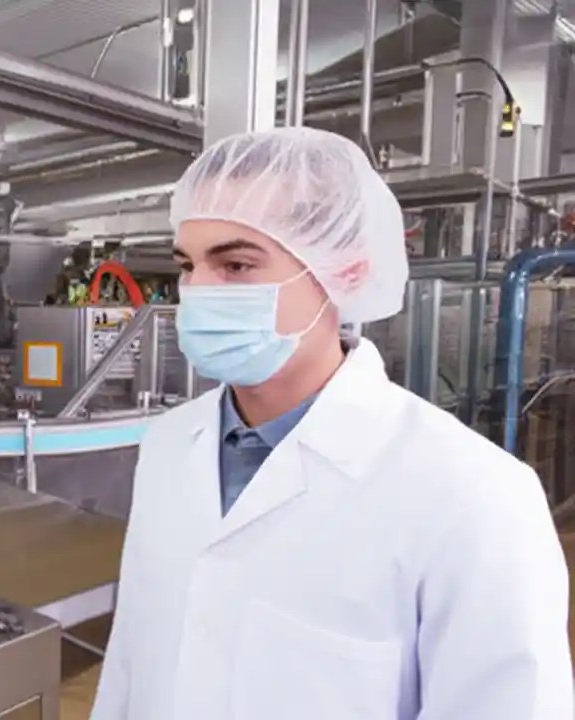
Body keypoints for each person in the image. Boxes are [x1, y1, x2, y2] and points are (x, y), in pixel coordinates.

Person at [91, 127, 572, 719]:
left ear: (342, 273)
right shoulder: (168, 445)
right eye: (188, 266)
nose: (197, 292)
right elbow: (131, 660)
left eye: (237, 264)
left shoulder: (474, 494)